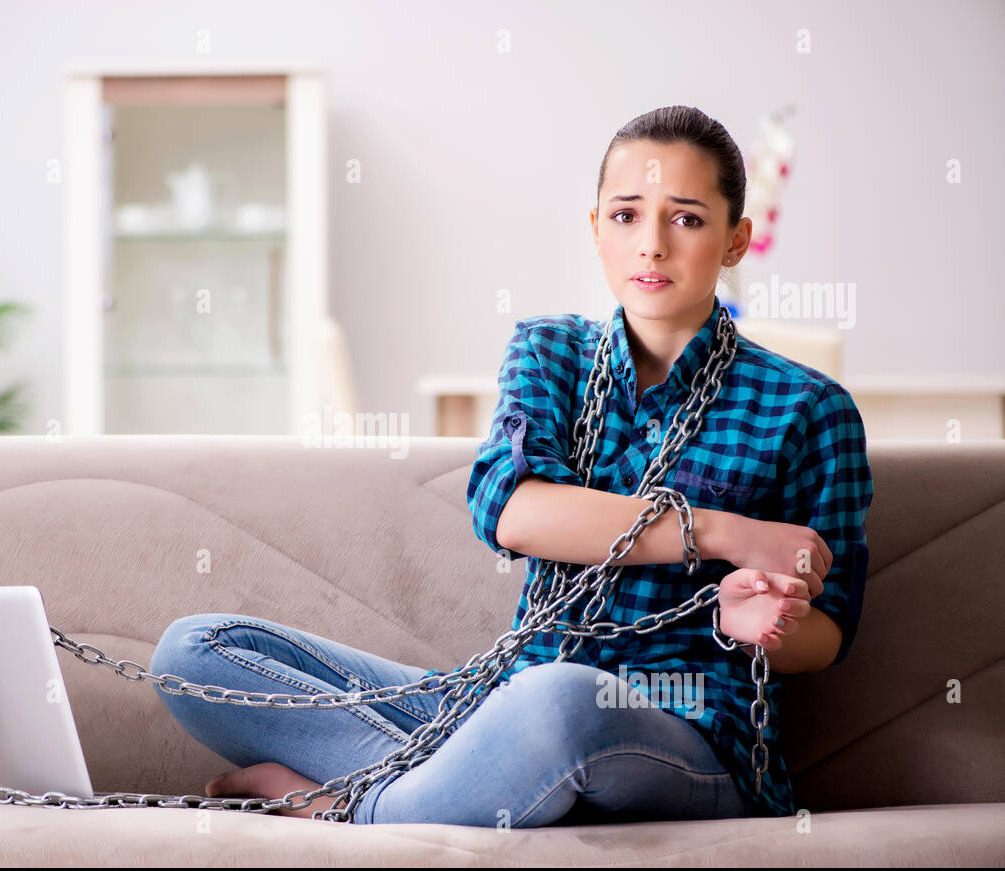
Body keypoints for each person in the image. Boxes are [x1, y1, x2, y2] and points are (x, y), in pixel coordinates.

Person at [149, 105, 873, 827]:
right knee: (197, 652)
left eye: (685, 219)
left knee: (561, 702)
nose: (650, 245)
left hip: (688, 725)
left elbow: (829, 633)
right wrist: (724, 533)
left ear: (736, 239)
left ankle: (344, 806)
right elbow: (513, 511)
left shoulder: (809, 408)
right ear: (595, 230)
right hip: (502, 697)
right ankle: (463, 781)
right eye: (626, 215)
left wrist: (765, 626)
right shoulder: (550, 352)